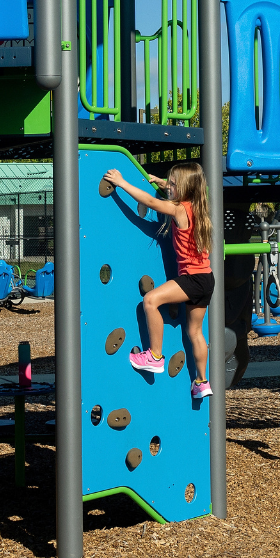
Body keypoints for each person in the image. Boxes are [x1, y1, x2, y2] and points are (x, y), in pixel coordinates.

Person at [101, 162, 214, 399]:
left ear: (184, 188)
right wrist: (162, 183)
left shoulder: (179, 209)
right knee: (195, 333)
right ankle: (202, 382)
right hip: (206, 279)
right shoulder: (198, 206)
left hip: (191, 279)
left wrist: (122, 183)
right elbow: (170, 193)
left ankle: (155, 356)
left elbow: (152, 203)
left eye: (173, 184)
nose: (169, 187)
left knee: (150, 301)